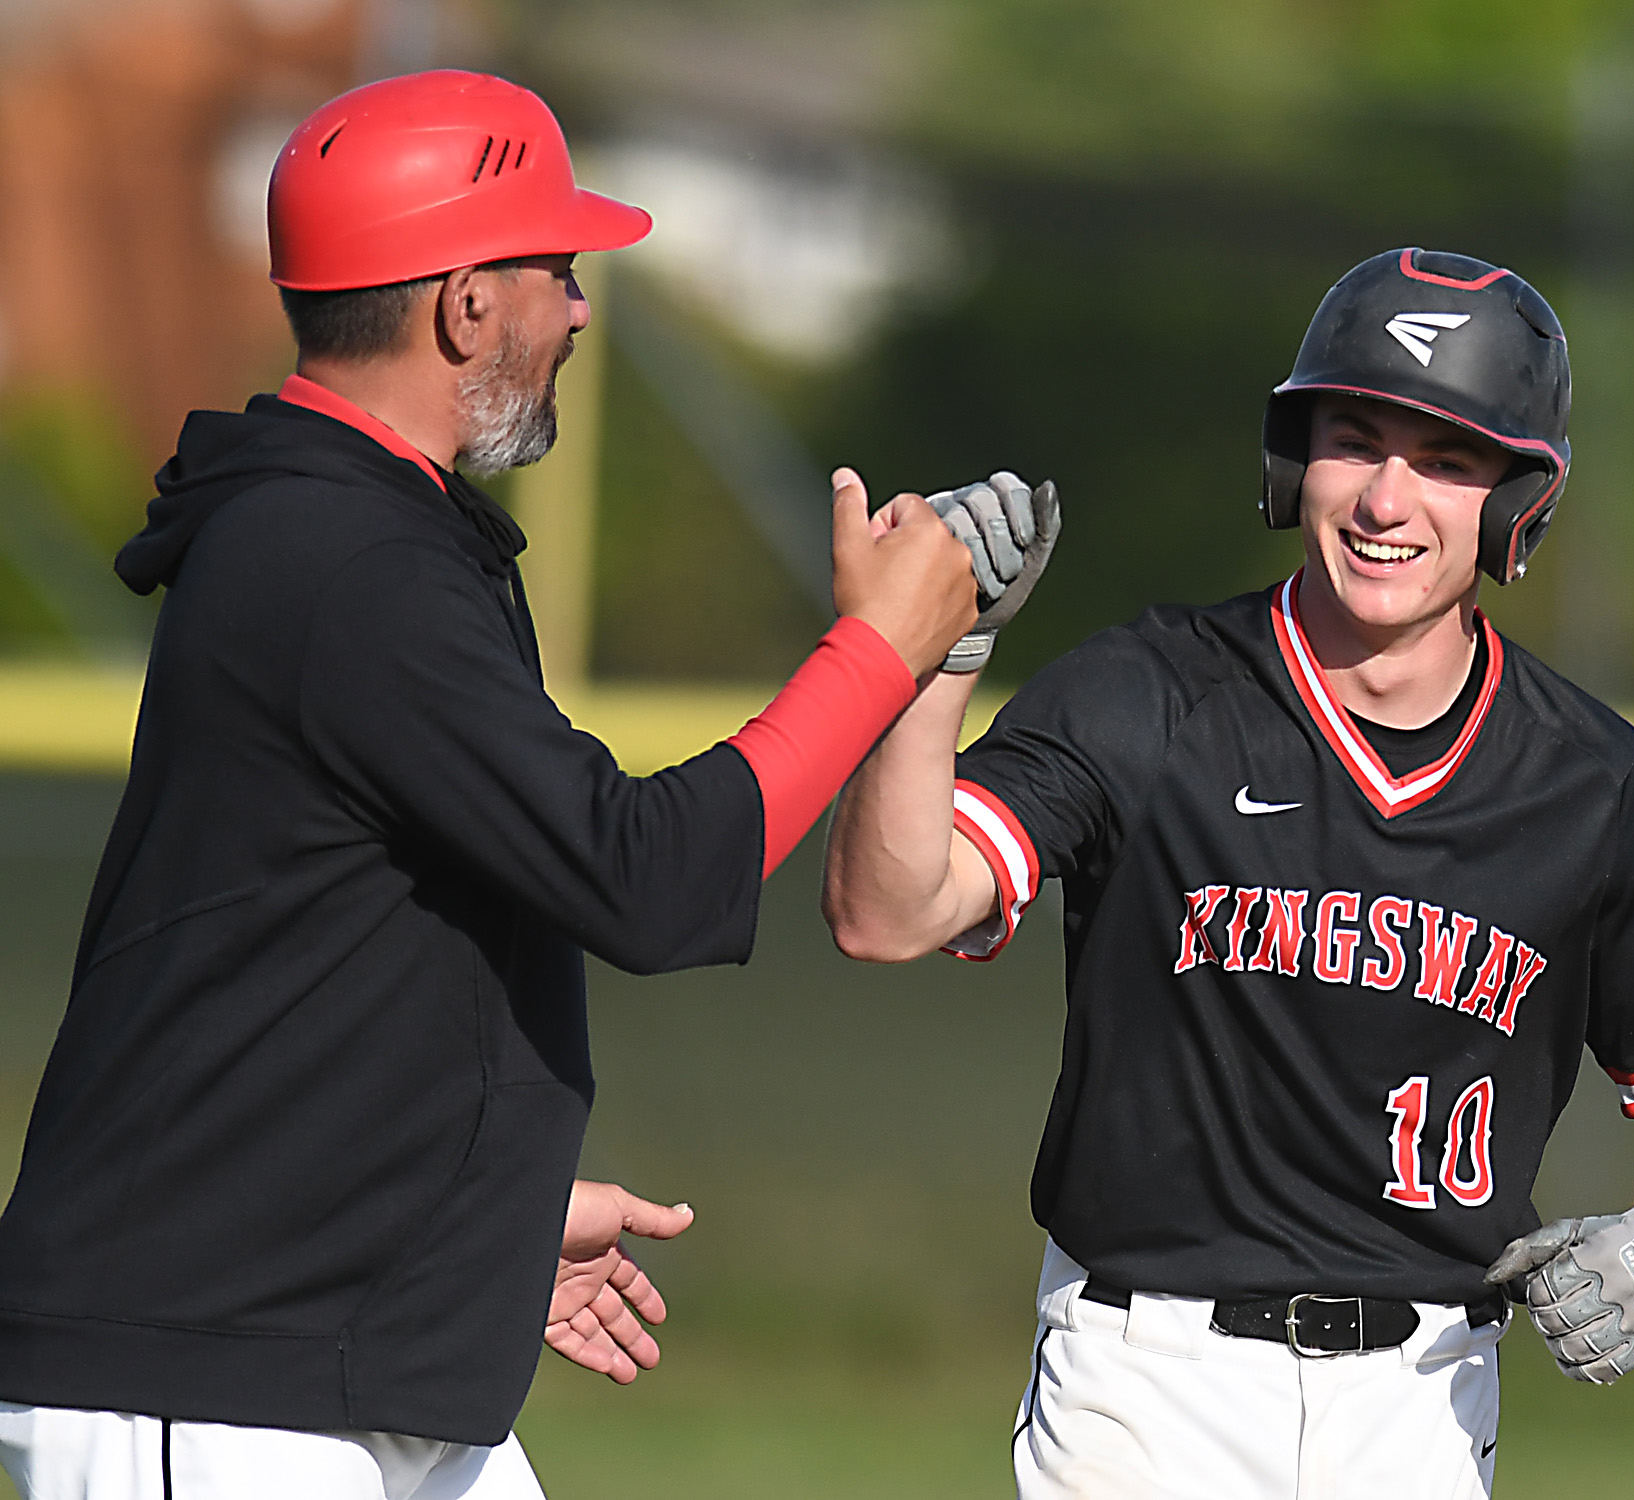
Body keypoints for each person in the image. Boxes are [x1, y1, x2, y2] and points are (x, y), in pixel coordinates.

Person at [0, 70, 977, 1499]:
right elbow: (641, 878)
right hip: (205, 1365)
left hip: (328, 1340)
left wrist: (474, 1218)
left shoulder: (371, 535)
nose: (577, 311)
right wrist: (877, 652)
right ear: (465, 305)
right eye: (557, 271)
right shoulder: (343, 561)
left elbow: (364, 966)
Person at [824, 248, 1634, 1499]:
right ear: (1293, 460)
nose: (1388, 499)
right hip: (1146, 1382)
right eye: (1355, 440)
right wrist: (925, 658)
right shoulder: (1150, 695)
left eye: (1446, 461)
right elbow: (888, 911)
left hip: (1426, 1405)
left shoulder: (1590, 783)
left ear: (1516, 501)